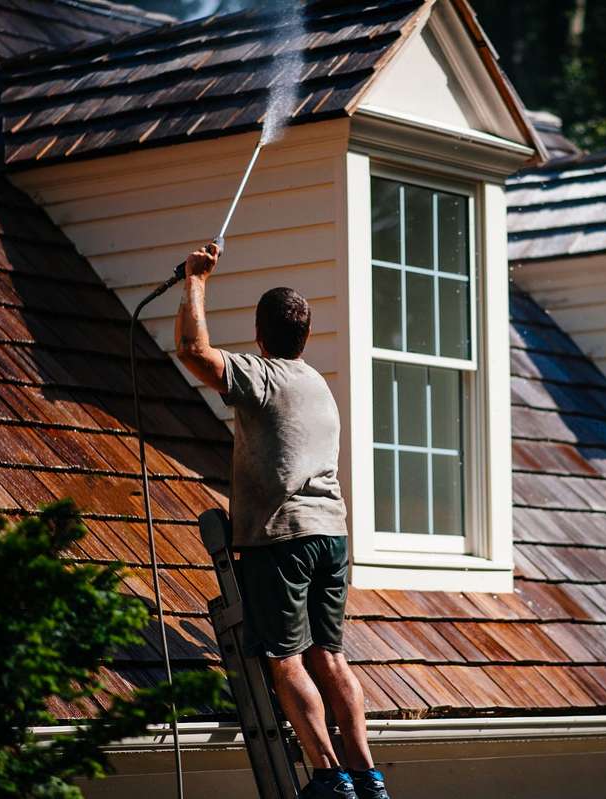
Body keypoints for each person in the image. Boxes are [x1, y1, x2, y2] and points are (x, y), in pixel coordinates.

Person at [174, 242, 390, 799]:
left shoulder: (265, 377)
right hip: (332, 536)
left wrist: (196, 280)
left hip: (284, 539)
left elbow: (193, 350)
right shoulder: (317, 385)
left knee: (285, 658)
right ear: (306, 336)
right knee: (330, 656)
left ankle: (327, 775)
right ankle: (366, 774)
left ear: (261, 335)